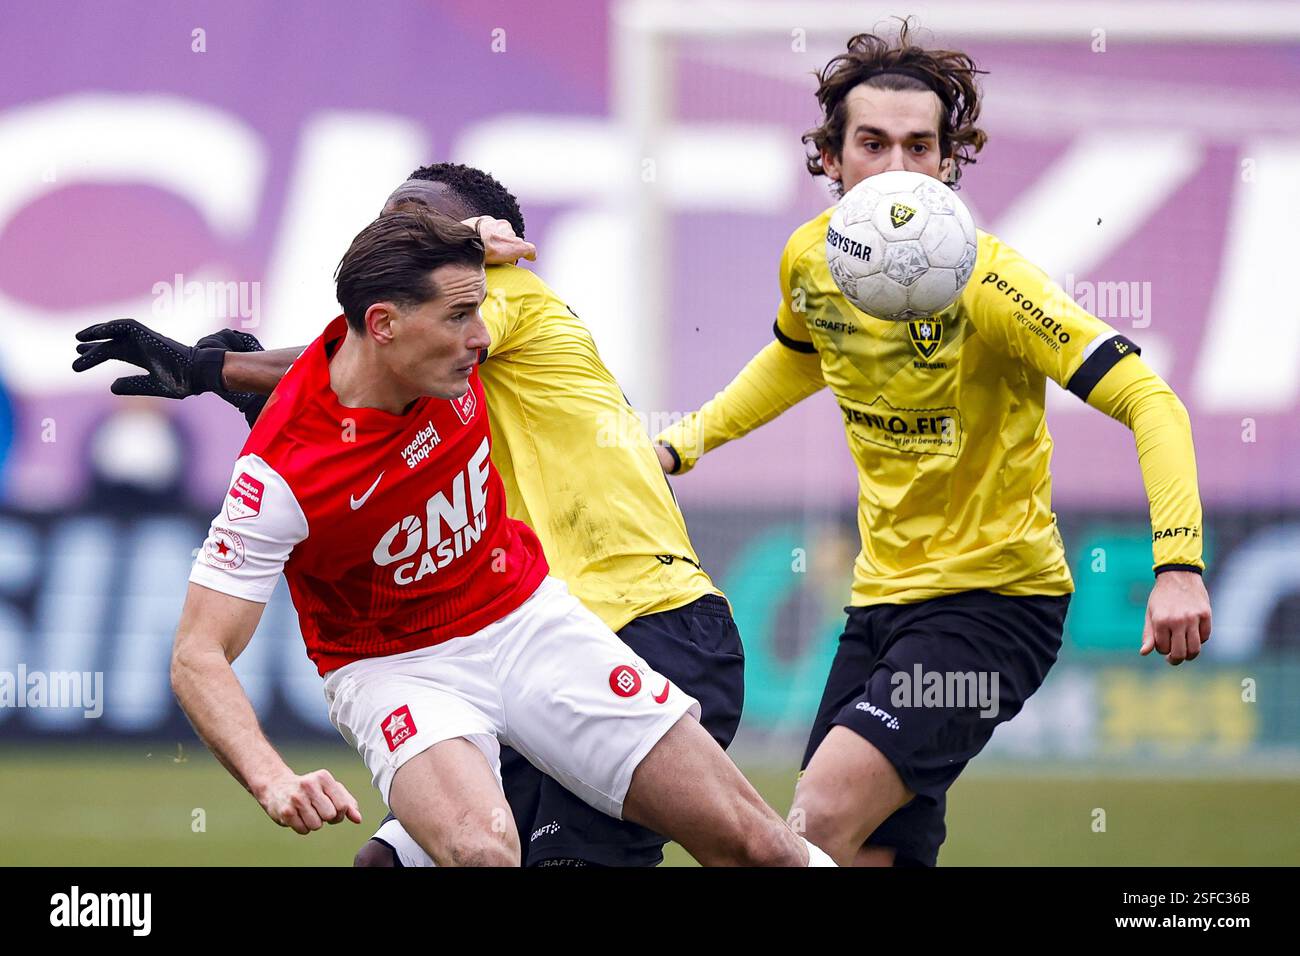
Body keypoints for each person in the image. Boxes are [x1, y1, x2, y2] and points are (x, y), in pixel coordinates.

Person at [103, 207, 830, 866]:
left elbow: (436, 253)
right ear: (385, 326)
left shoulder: (444, 334)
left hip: (526, 619)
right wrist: (272, 778)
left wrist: (477, 232)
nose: (482, 337)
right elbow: (198, 656)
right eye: (460, 318)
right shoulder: (279, 474)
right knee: (485, 852)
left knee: (760, 845)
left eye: (478, 309)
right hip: (398, 670)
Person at [653, 22, 1213, 867]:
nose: (897, 171)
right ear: (831, 161)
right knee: (864, 855)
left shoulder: (993, 285)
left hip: (997, 605)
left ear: (951, 164)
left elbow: (1150, 398)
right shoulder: (814, 261)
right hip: (880, 604)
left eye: (921, 147)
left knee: (817, 821)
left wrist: (1177, 565)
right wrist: (678, 446)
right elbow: (797, 358)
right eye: (872, 144)